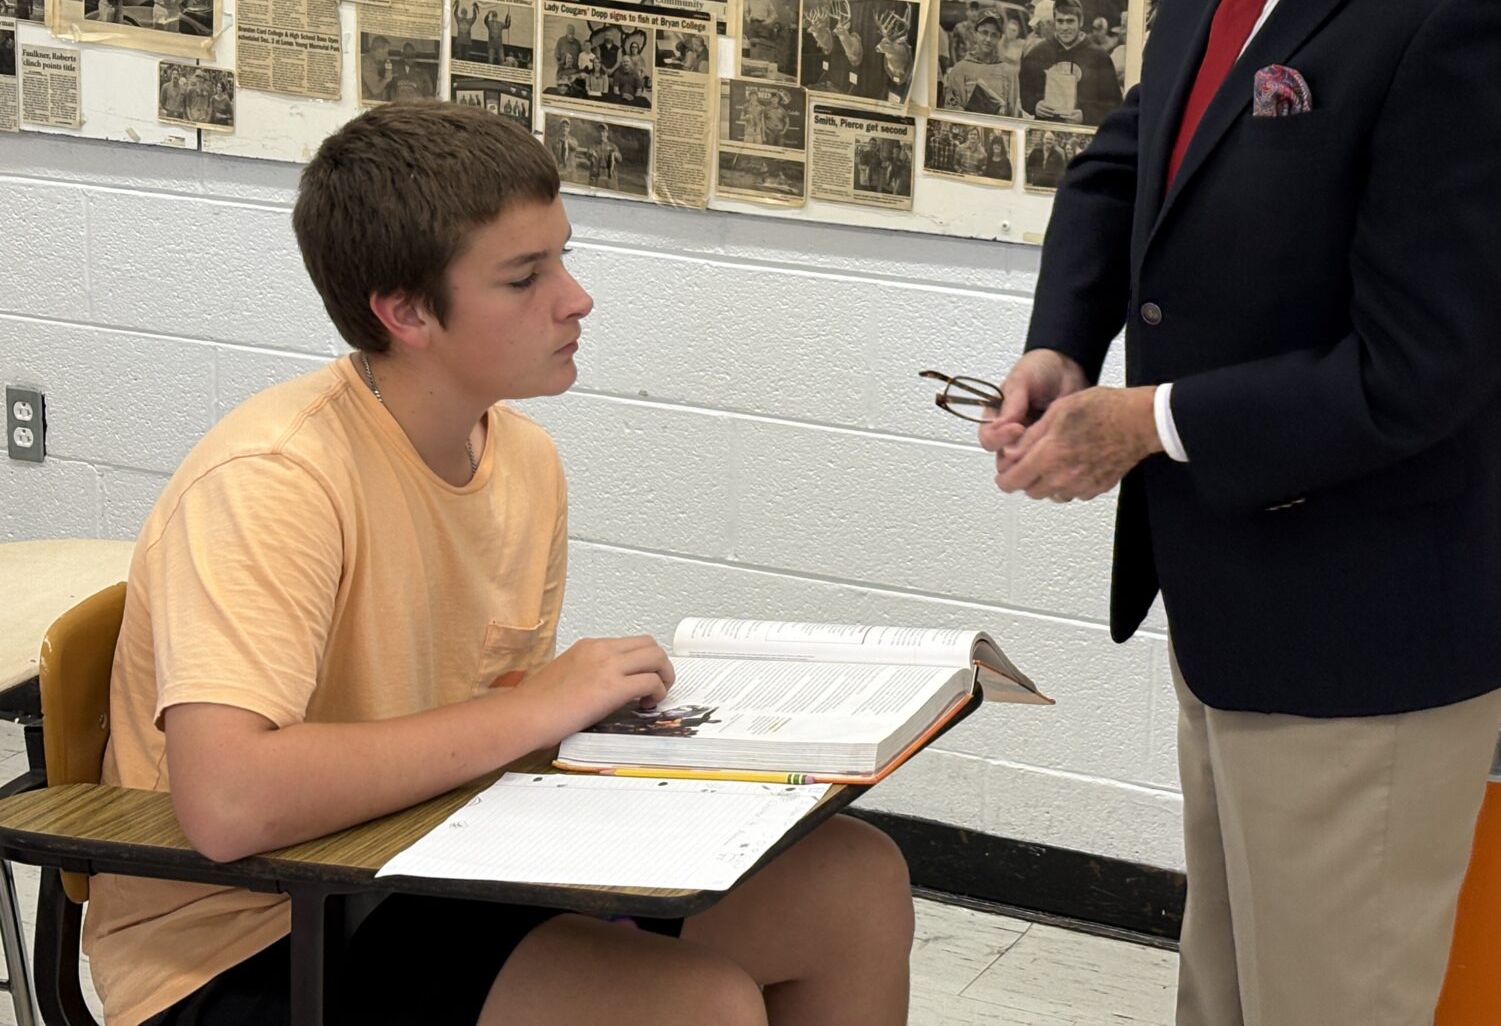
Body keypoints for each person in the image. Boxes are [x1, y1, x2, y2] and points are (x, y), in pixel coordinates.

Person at [977, 0, 1501, 1026]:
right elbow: (1143, 148)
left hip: (1371, 622)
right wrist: (1065, 335)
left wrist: (1149, 424)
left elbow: (1423, 369)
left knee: (1328, 1002)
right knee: (1229, 992)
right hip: (1236, 587)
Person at [80, 103, 917, 1020]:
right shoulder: (275, 480)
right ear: (404, 312)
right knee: (695, 1003)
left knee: (854, 882)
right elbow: (230, 804)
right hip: (253, 940)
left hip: (434, 865)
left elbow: (492, 738)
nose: (575, 297)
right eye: (525, 277)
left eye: (564, 256)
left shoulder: (523, 459)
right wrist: (535, 708)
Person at [1018, 0, 1120, 124]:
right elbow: (1024, 93)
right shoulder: (1037, 53)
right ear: (1054, 22)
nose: (1064, 27)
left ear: (1081, 21)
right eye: (1060, 21)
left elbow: (1114, 104)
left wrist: (1086, 115)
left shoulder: (1099, 57)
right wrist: (1035, 105)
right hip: (1046, 129)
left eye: (1070, 21)